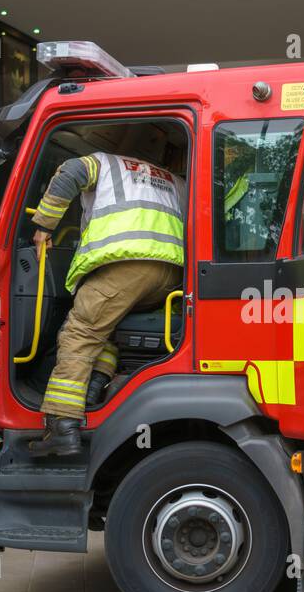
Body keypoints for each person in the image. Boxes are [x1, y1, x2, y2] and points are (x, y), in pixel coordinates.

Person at [28, 151, 186, 457]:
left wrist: (44, 227)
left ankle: (62, 427)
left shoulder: (102, 162)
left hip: (126, 261)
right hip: (171, 273)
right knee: (110, 324)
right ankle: (91, 389)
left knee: (81, 332)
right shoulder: (171, 179)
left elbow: (71, 172)